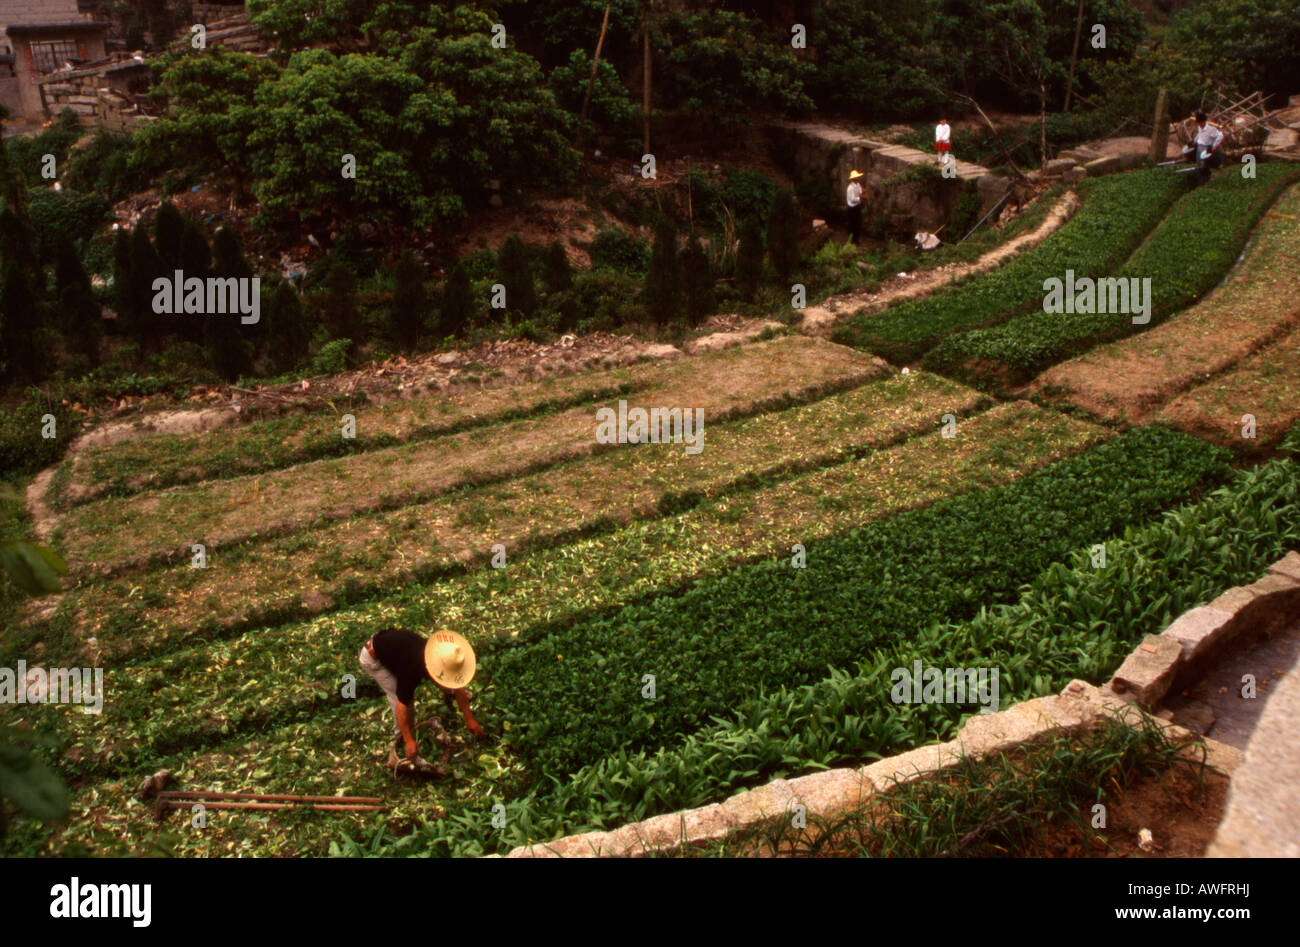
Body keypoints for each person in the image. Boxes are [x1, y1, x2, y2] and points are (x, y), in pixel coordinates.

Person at [359, 627, 485, 775]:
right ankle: (401, 750)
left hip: (393, 648)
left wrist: (469, 719)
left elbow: (457, 686)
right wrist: (409, 739)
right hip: (373, 659)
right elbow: (401, 706)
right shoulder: (411, 669)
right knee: (403, 701)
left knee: (450, 683)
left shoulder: (438, 652)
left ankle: (449, 696)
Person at [1186, 110, 1224, 187]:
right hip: (1199, 148)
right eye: (1198, 123)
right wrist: (1195, 141)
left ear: (1204, 121)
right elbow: (1199, 135)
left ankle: (1206, 181)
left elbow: (1220, 136)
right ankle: (1201, 184)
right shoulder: (1199, 127)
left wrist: (1214, 146)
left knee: (1204, 166)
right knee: (1199, 166)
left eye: (1201, 122)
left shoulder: (1211, 129)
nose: (1200, 124)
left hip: (1206, 148)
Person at [846, 170, 864, 245]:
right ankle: (852, 241)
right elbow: (852, 199)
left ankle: (856, 240)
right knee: (852, 225)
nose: (857, 179)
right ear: (853, 179)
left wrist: (862, 192)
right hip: (851, 208)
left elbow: (860, 191)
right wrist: (861, 197)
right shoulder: (850, 188)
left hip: (857, 207)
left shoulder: (858, 185)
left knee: (858, 224)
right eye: (856, 177)